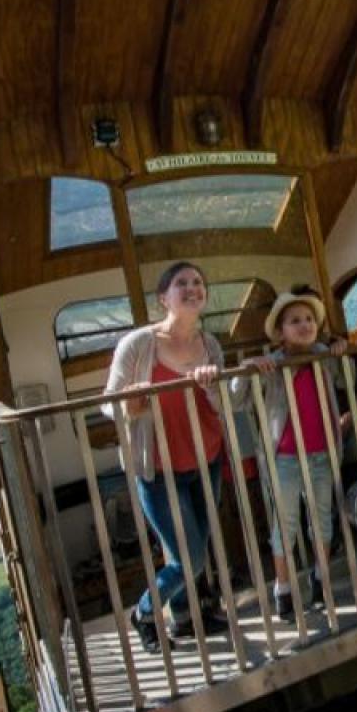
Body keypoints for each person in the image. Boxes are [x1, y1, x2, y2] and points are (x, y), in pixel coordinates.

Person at [103, 261, 229, 653]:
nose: (192, 288)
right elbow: (109, 402)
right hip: (157, 470)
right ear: (163, 298)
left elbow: (220, 401)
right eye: (182, 283)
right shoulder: (138, 344)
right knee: (188, 559)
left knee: (192, 550)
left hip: (206, 459)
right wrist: (131, 404)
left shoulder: (210, 345)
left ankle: (186, 618)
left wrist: (212, 386)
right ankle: (144, 612)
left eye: (198, 281)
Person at [234, 287, 345, 618]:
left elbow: (345, 384)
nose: (304, 325)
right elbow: (238, 399)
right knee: (286, 525)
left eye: (309, 319)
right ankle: (283, 588)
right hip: (285, 459)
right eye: (295, 321)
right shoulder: (273, 364)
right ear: (280, 333)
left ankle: (320, 579)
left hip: (323, 453)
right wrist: (249, 368)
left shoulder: (323, 355)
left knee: (323, 520)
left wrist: (340, 353)